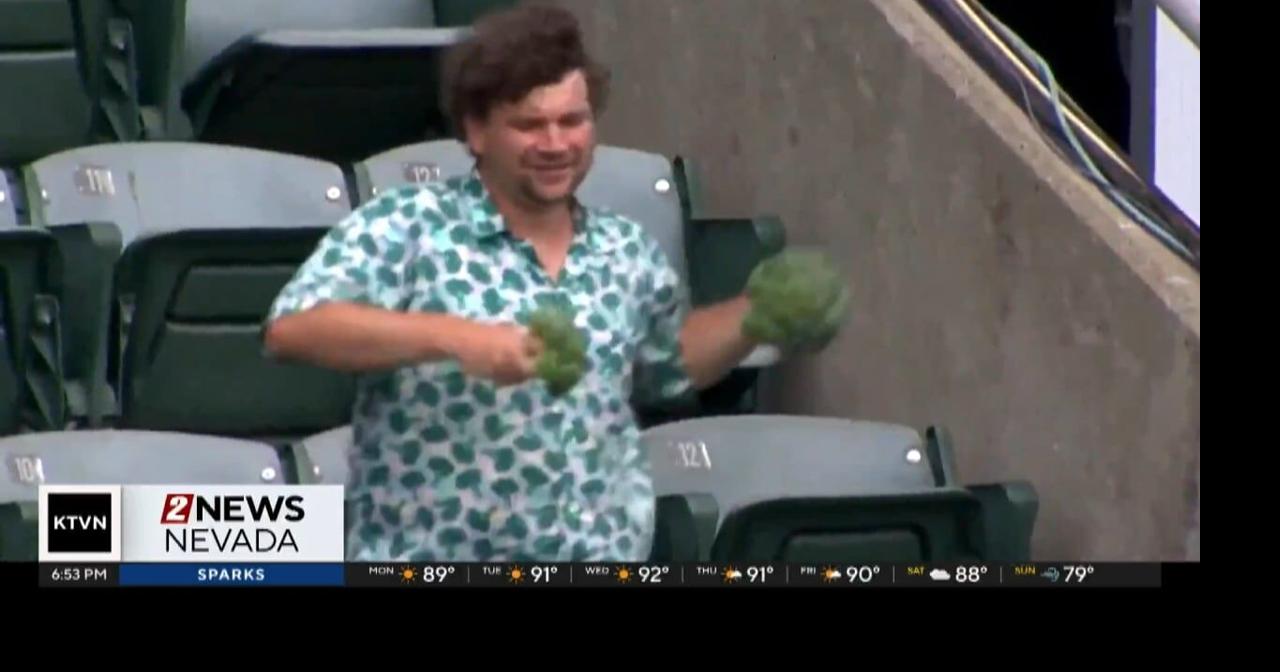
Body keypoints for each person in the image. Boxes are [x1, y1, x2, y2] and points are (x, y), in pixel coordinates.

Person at [263, 4, 764, 562]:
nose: (556, 144)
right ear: (477, 131)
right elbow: (294, 328)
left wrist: (751, 319)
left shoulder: (626, 248)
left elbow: (667, 368)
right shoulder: (411, 225)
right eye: (530, 125)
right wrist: (457, 338)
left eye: (572, 121)